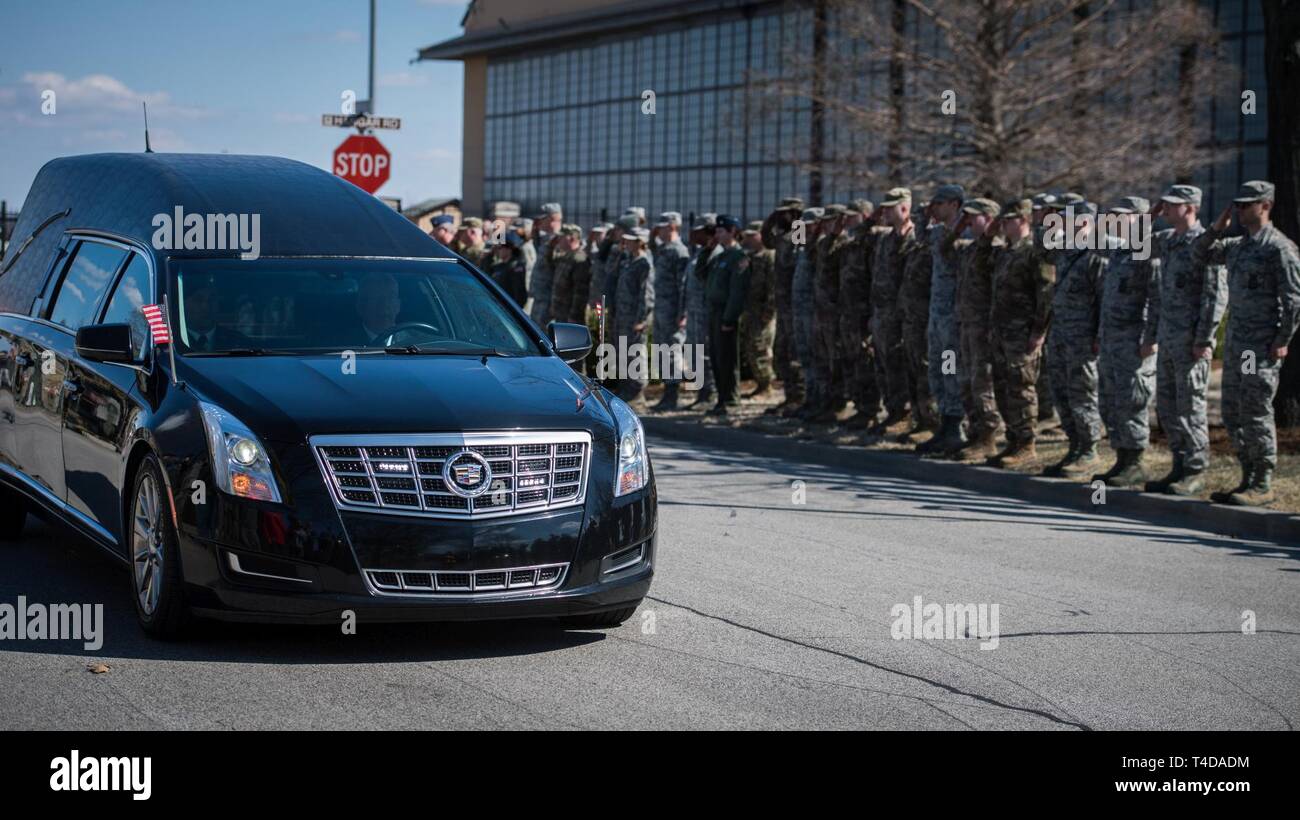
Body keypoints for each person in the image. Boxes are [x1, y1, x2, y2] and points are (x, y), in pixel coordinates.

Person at [1196, 180, 1300, 506]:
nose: (1240, 210)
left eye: (1246, 204)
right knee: (1233, 410)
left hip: (1260, 347)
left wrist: (1282, 339)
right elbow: (1199, 254)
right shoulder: (1239, 246)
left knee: (1254, 409)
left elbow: (1294, 299)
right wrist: (1216, 227)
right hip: (1240, 347)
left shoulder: (1278, 248)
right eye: (1237, 204)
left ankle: (1263, 481)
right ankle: (1247, 477)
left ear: (1265, 205)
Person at [1143, 184, 1227, 495]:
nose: (1165, 209)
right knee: (1167, 407)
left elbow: (1215, 295)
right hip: (1167, 338)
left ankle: (1195, 470)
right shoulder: (1167, 240)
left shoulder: (1206, 245)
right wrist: (1148, 218)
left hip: (1191, 342)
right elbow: (1131, 244)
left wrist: (1205, 339)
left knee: (1191, 406)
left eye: (1171, 205)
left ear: (1190, 208)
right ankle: (1178, 465)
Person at [1092, 196, 1158, 487]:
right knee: (1110, 400)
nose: (1115, 221)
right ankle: (1121, 457)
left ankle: (1135, 462)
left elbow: (1157, 299)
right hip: (1111, 340)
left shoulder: (1149, 252)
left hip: (1134, 341)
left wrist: (1150, 338)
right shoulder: (1119, 252)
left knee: (1132, 400)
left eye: (1123, 216)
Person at [1042, 201, 1107, 478]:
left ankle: (1089, 450)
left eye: (1077, 221)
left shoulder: (1098, 256)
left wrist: (1099, 336)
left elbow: (1106, 300)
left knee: (1083, 394)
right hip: (1060, 334)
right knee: (1061, 392)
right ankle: (1075, 445)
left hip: (1083, 337)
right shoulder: (1065, 252)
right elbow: (1040, 246)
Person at [988, 198, 1055, 467]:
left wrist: (1038, 331)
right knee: (1003, 387)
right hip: (1002, 331)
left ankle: (1027, 443)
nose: (1003, 224)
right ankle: (1013, 439)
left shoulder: (1035, 251)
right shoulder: (1006, 252)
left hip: (1023, 332)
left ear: (1024, 220)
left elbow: (1046, 292)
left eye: (1009, 219)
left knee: (1022, 387)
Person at [946, 198, 1004, 461]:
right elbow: (944, 249)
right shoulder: (969, 248)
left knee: (983, 383)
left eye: (972, 217)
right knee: (966, 381)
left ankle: (988, 438)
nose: (967, 221)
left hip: (983, 326)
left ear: (989, 219)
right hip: (966, 324)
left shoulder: (997, 249)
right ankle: (974, 434)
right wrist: (957, 227)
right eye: (965, 217)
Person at [920, 184, 967, 454]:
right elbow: (919, 236)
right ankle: (944, 424)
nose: (935, 208)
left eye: (939, 203)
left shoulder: (967, 232)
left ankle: (955, 424)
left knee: (951, 370)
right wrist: (924, 215)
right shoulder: (938, 231)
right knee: (936, 369)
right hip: (936, 315)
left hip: (953, 315)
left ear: (954, 204)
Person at [870, 188, 919, 436]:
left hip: (905, 317)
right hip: (881, 315)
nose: (885, 212)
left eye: (890, 207)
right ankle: (892, 411)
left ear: (905, 208)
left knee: (904, 366)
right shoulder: (884, 238)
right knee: (883, 365)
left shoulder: (916, 238)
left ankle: (905, 413)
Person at [838, 200, 888, 428]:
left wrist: (869, 221)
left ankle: (869, 409)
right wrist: (793, 221)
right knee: (847, 361)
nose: (845, 220)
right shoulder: (844, 242)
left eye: (851, 216)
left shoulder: (874, 237)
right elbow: (802, 249)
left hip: (864, 312)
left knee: (865, 362)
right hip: (840, 312)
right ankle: (855, 407)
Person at [763, 197, 806, 414]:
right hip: (783, 304)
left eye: (785, 213)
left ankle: (798, 397)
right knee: (782, 352)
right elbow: (766, 240)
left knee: (794, 352)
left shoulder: (800, 232)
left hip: (795, 303)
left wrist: (797, 220)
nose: (781, 217)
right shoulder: (781, 235)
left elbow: (795, 259)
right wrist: (771, 219)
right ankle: (790, 396)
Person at [898, 197, 936, 440]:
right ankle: (920, 420)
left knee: (939, 371)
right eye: (918, 220)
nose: (921, 225)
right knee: (914, 371)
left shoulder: (942, 247)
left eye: (926, 220)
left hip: (933, 323)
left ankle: (936, 421)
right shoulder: (916, 249)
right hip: (912, 322)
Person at [705, 216, 751, 415]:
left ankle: (731, 399)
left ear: (733, 231)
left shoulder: (739, 257)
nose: (717, 235)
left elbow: (737, 291)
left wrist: (729, 318)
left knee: (727, 358)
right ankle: (722, 399)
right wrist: (707, 249)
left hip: (725, 313)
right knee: (716, 357)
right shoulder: (720, 256)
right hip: (714, 312)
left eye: (721, 231)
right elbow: (701, 274)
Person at [807, 204, 847, 422]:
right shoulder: (821, 243)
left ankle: (835, 403)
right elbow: (804, 248)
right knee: (818, 358)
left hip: (834, 311)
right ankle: (820, 401)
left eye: (833, 220)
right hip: (817, 309)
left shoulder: (844, 243)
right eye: (826, 221)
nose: (828, 224)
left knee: (834, 360)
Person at [651, 212, 691, 410]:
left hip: (673, 310)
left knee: (672, 350)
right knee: (661, 350)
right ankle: (667, 390)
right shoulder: (662, 249)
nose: (659, 230)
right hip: (660, 309)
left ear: (673, 227)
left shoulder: (679, 252)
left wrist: (683, 313)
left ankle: (672, 394)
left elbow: (683, 285)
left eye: (663, 227)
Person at [612, 227, 655, 406]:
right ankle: (626, 388)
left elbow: (647, 294)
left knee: (636, 352)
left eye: (630, 240)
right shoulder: (628, 261)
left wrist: (641, 319)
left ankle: (637, 391)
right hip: (622, 315)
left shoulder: (644, 263)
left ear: (640, 242)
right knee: (623, 351)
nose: (625, 242)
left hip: (634, 317)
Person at [791, 207, 824, 418]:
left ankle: (819, 399)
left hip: (814, 309)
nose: (805, 227)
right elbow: (789, 252)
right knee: (804, 355)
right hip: (800, 308)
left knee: (817, 356)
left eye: (810, 224)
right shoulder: (802, 247)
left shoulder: (821, 246)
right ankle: (809, 398)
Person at [685, 213, 720, 407]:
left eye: (699, 232)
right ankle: (700, 392)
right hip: (694, 310)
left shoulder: (715, 253)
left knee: (705, 352)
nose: (694, 235)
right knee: (693, 351)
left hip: (706, 311)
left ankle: (710, 393)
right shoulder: (700, 252)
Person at [740, 221, 777, 397]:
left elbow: (773, 285)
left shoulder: (769, 256)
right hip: (750, 310)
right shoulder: (750, 258)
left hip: (762, 312)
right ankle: (760, 384)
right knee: (751, 348)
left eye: (751, 235)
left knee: (761, 348)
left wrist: (769, 311)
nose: (748, 239)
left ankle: (766, 384)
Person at [528, 203, 563, 326]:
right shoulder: (546, 239)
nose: (539, 222)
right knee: (533, 329)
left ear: (552, 220)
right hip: (540, 296)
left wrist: (554, 302)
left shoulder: (559, 242)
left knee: (543, 335)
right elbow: (536, 245)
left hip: (549, 298)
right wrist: (535, 230)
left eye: (542, 219)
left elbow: (559, 274)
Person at [486, 235, 528, 307]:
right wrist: (488, 256)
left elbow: (519, 293)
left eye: (500, 247)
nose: (498, 251)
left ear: (509, 249)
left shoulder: (516, 267)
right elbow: (486, 272)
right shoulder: (498, 266)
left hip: (509, 308)